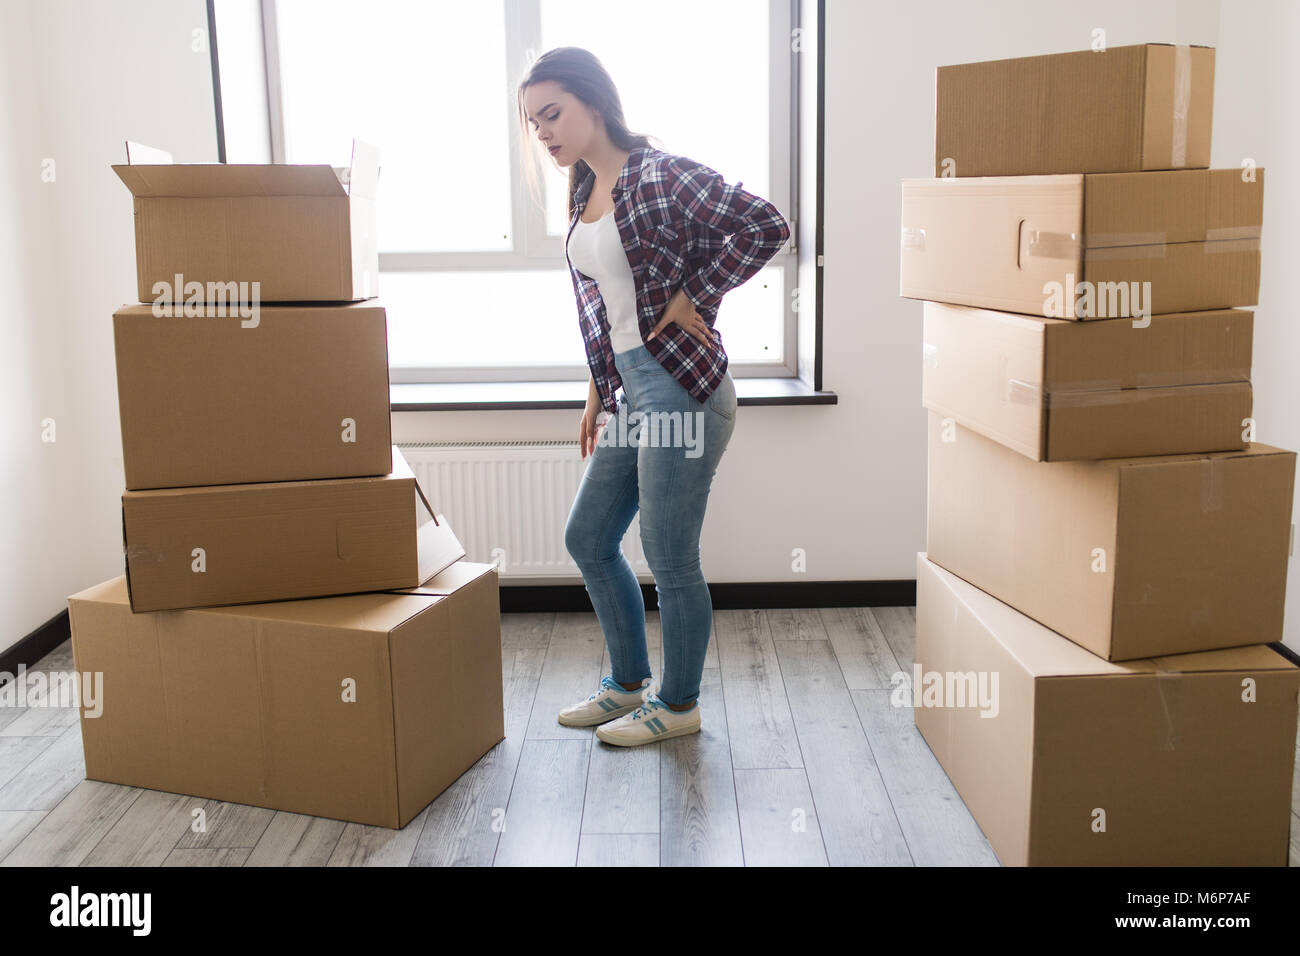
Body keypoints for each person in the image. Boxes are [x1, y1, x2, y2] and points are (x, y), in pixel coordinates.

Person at [517, 47, 790, 746]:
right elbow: (608, 307)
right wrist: (594, 395)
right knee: (588, 537)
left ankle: (678, 706)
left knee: (669, 556)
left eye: (553, 114)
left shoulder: (660, 175)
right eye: (532, 122)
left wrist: (694, 293)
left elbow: (767, 224)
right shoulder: (584, 195)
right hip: (629, 392)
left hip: (680, 391)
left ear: (594, 103)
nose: (543, 132)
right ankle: (627, 685)